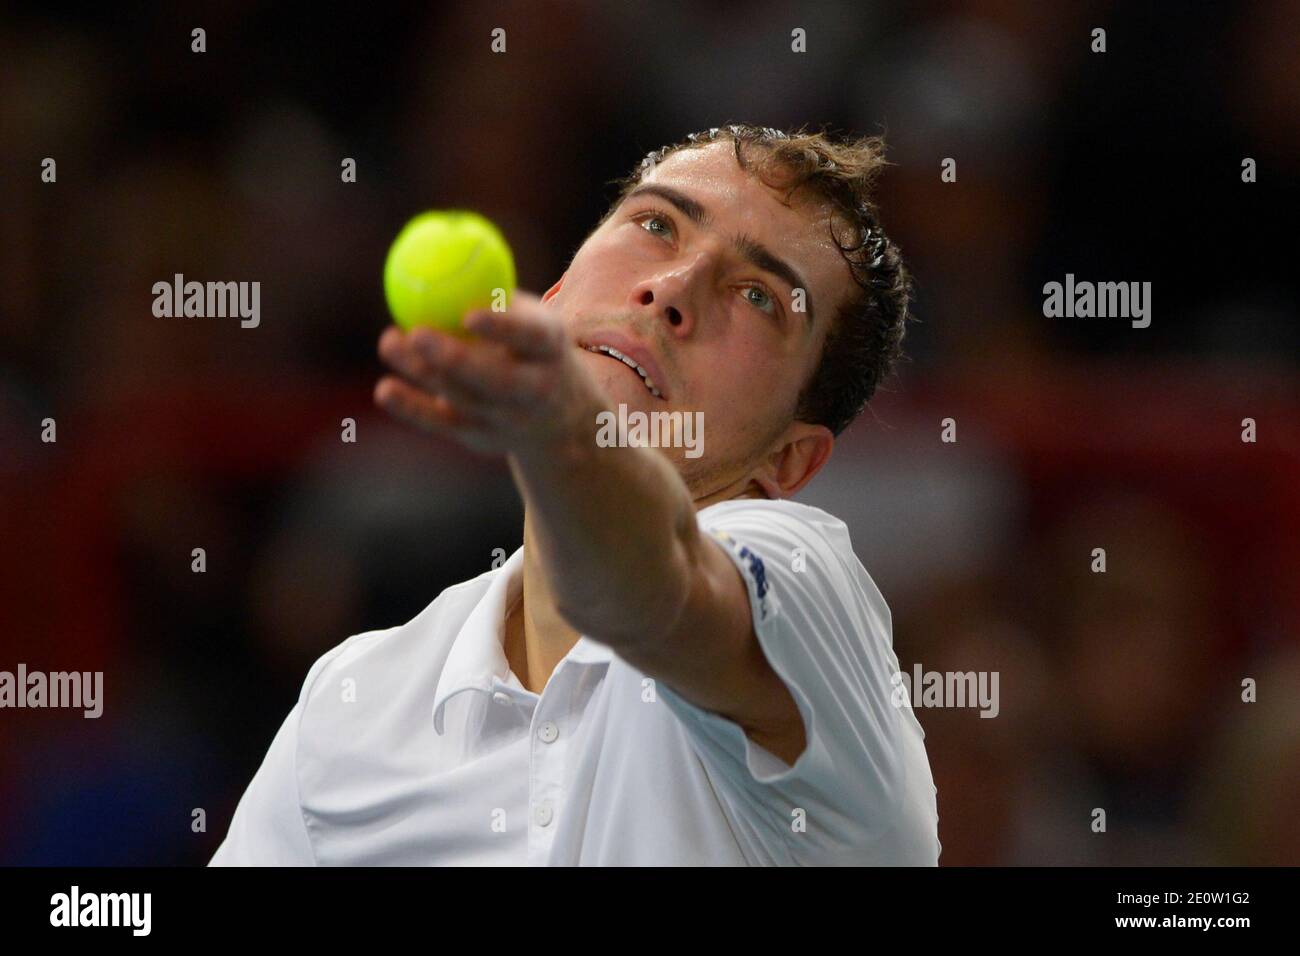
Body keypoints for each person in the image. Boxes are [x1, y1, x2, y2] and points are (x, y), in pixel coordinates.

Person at [210, 124, 940, 865]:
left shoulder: (809, 590)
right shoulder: (350, 707)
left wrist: (569, 432)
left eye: (758, 296)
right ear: (555, 294)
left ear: (789, 460)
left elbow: (663, 596)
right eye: (657, 225)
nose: (672, 288)